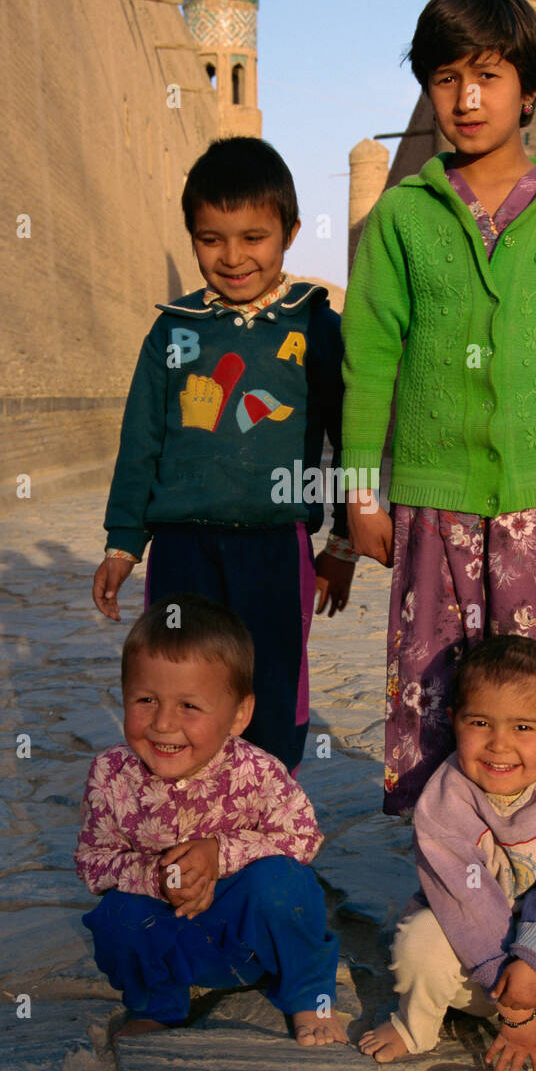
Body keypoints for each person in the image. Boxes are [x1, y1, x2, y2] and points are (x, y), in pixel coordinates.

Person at [340, 0, 536, 820]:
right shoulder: (404, 217)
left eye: (489, 75)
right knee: (442, 691)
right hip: (437, 512)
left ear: (529, 89)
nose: (466, 98)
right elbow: (370, 361)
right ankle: (451, 871)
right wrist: (361, 493)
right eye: (445, 78)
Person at [92, 136, 357, 773]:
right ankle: (185, 818)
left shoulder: (314, 325)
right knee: (182, 686)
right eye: (212, 239)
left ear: (290, 232)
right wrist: (124, 542)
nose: (233, 258)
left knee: (270, 685)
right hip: (183, 545)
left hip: (275, 545)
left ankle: (265, 823)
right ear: (192, 237)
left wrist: (345, 542)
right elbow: (141, 439)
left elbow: (351, 435)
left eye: (253, 237)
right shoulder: (174, 330)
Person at [75, 594, 347, 1047]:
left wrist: (221, 854)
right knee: (115, 917)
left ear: (239, 715)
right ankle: (157, 1003)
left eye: (189, 707)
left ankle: (307, 994)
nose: (163, 724)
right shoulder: (111, 775)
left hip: (251, 940)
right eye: (145, 700)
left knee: (286, 884)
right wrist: (155, 879)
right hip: (170, 933)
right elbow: (93, 862)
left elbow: (303, 837)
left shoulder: (257, 771)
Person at [359, 636, 536, 1071]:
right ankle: (415, 1026)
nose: (499, 745)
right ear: (455, 723)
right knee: (419, 940)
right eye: (480, 722)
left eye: (523, 727)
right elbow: (462, 896)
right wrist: (515, 1011)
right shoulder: (444, 797)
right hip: (475, 959)